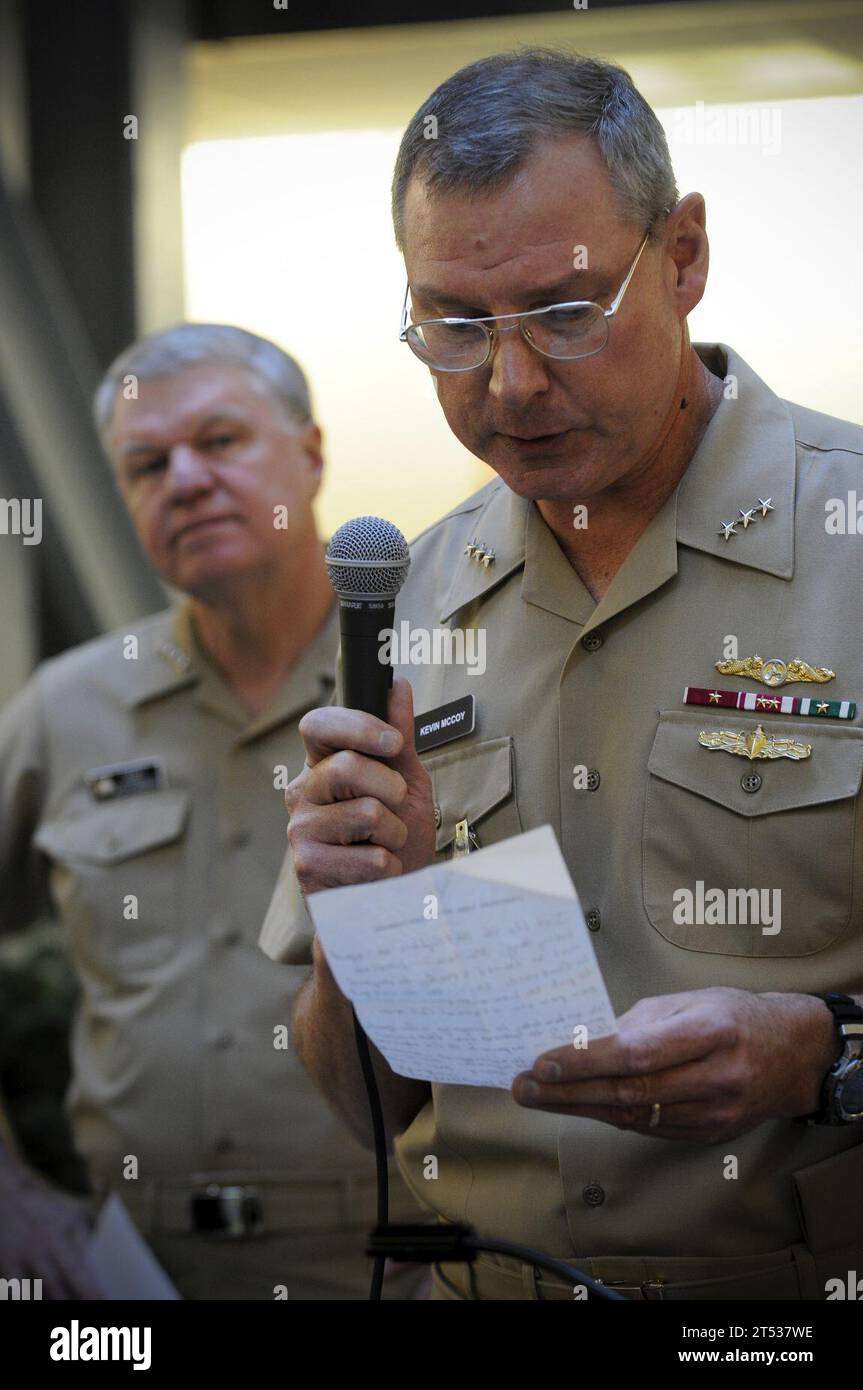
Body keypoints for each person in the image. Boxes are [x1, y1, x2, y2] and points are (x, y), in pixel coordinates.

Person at [260, 49, 863, 1301]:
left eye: (566, 311)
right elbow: (369, 1113)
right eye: (454, 326)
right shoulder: (405, 603)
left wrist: (822, 1054)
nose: (510, 384)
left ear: (683, 256)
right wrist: (354, 929)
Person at [0, 323, 423, 1300]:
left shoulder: (433, 677)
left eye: (220, 441)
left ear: (310, 453)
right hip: (125, 1277)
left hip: (393, 1268)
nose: (183, 479)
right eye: (146, 464)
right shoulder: (70, 706)